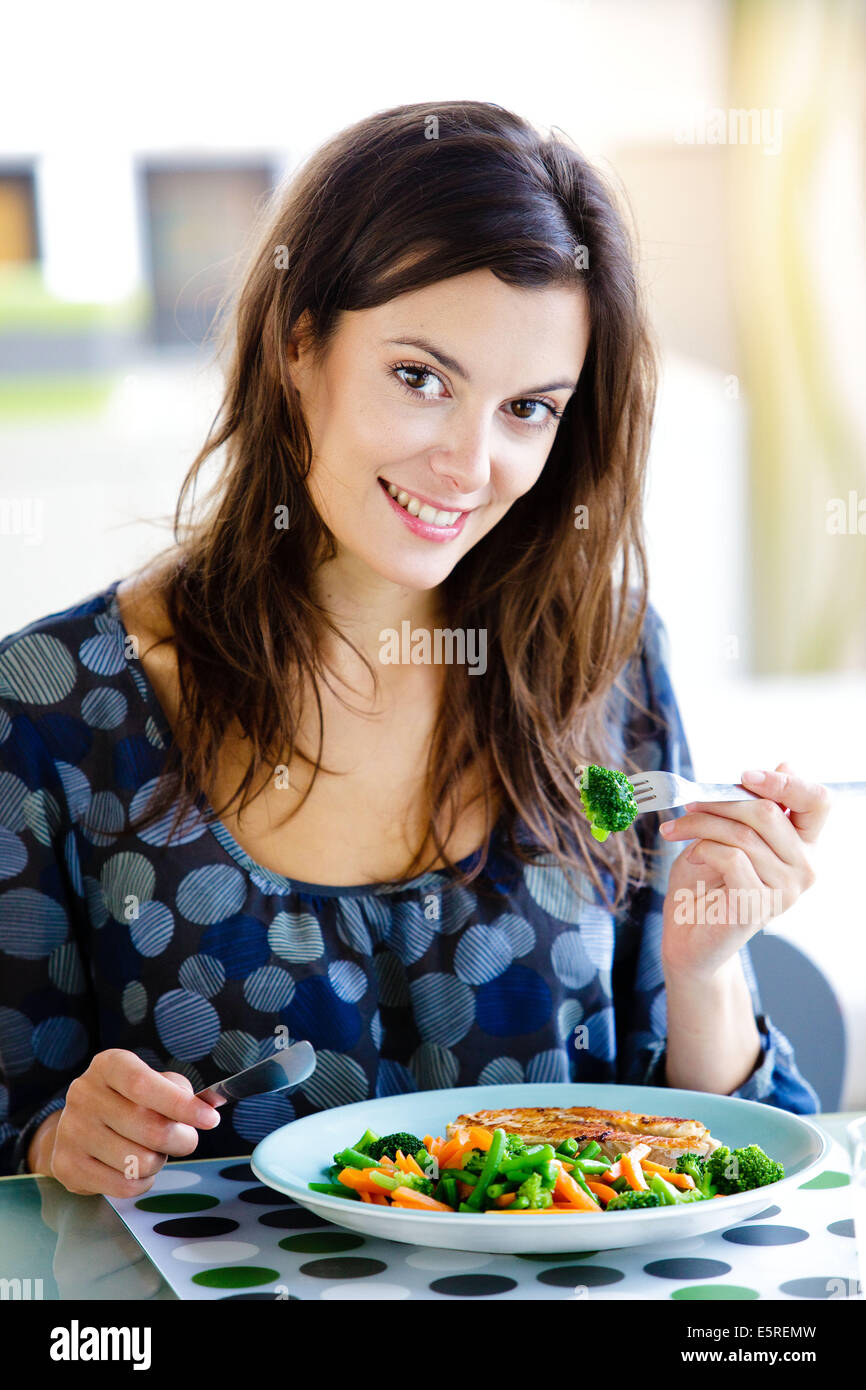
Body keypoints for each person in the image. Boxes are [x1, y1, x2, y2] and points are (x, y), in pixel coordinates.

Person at [0, 101, 829, 1196]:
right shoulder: (54, 707)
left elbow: (719, 1161)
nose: (467, 463)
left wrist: (705, 967)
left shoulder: (605, 662)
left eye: (528, 408)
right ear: (300, 343)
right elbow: (22, 1140)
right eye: (420, 378)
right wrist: (63, 1139)